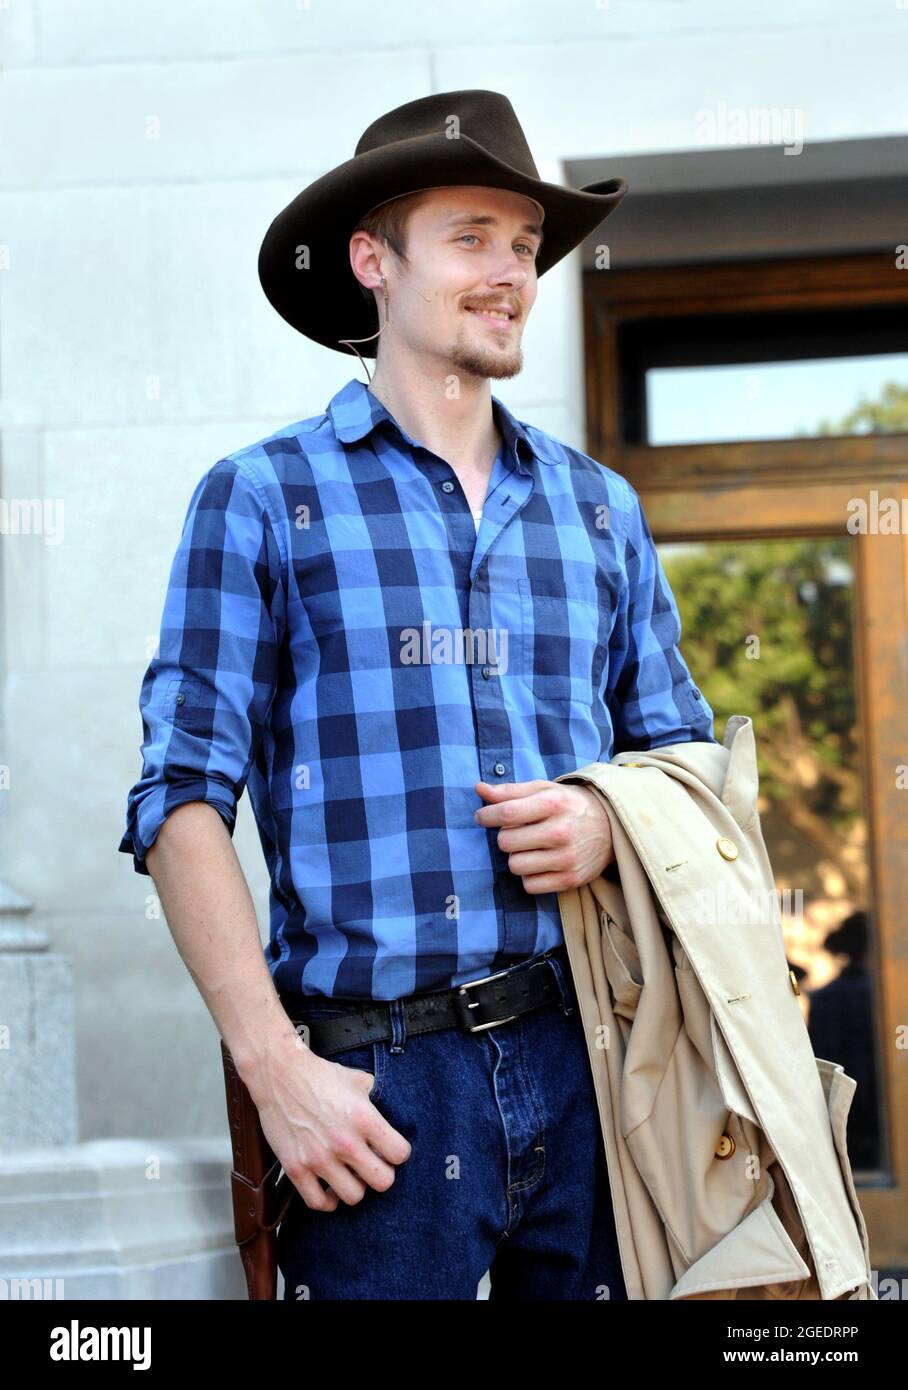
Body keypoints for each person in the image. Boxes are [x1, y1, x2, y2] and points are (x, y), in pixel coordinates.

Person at [119, 89, 717, 1300]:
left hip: (596, 1067)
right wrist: (276, 1071)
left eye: (523, 244)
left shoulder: (599, 507)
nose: (509, 271)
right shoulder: (260, 496)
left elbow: (688, 762)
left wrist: (609, 821)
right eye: (470, 237)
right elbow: (179, 801)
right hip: (374, 1098)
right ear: (371, 260)